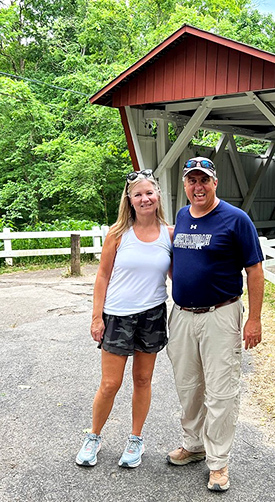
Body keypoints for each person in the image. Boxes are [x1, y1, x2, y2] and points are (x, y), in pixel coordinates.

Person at [166, 156, 264, 491]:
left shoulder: (236, 220)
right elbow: (177, 258)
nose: (198, 187)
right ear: (185, 185)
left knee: (221, 391)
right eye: (192, 181)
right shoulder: (181, 216)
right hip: (181, 315)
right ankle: (193, 445)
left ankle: (218, 462)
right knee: (188, 386)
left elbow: (254, 270)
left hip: (220, 315)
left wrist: (254, 318)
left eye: (203, 180)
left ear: (215, 183)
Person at [75, 169, 173, 469]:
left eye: (149, 193)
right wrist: (97, 317)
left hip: (153, 315)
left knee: (142, 379)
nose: (145, 199)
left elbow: (177, 275)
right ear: (129, 200)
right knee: (110, 383)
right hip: (117, 316)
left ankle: (135, 439)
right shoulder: (118, 234)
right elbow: (102, 276)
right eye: (138, 194)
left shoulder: (170, 234)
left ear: (157, 196)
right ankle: (93, 436)